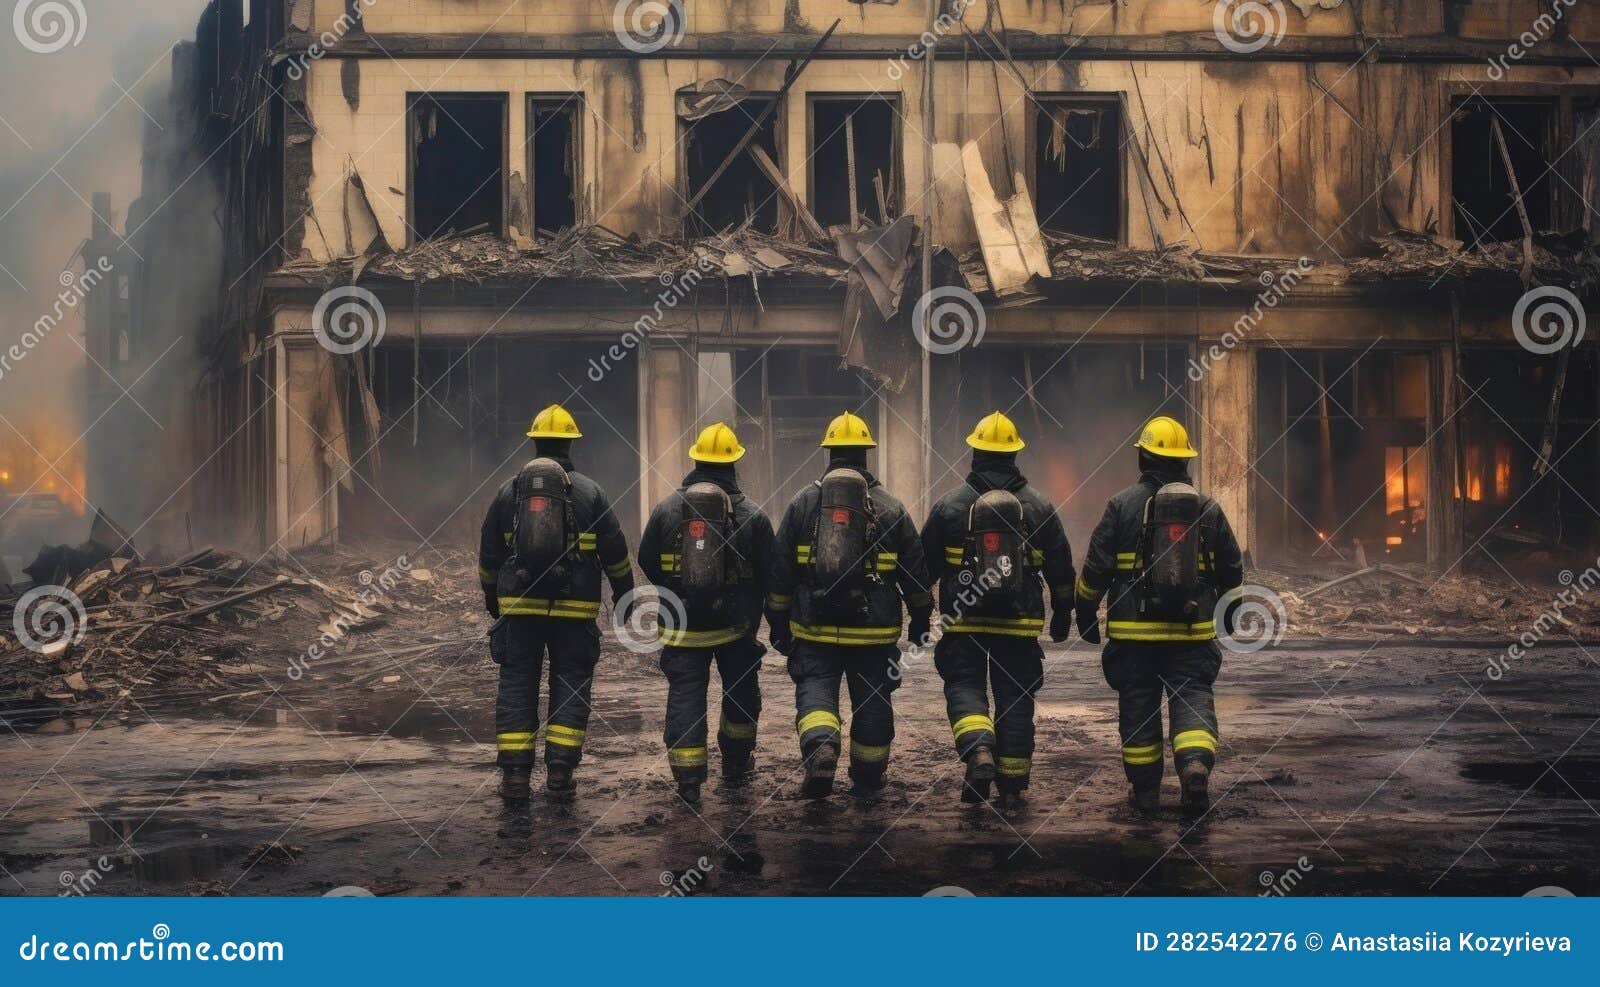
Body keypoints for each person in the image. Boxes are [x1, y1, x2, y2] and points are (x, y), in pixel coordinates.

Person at [1075, 416, 1244, 816]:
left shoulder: (1120, 506)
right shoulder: (1208, 508)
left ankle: (1146, 793)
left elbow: (1096, 568)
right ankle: (1195, 768)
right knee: (1193, 698)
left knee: (1138, 708)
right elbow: (1231, 569)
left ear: (1144, 458)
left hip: (1133, 640)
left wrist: (1084, 611)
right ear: (1184, 461)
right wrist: (1229, 612)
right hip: (1191, 634)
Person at [767, 412, 932, 799]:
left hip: (814, 628)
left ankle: (821, 751)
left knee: (816, 692)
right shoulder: (890, 507)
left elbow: (779, 571)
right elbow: (916, 573)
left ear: (829, 453)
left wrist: (777, 621)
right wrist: (921, 620)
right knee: (873, 700)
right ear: (866, 454)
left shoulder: (803, 504)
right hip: (874, 633)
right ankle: (869, 778)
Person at [919, 411, 1076, 807]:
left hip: (963, 619)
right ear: (1014, 455)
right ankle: (1012, 783)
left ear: (974, 453)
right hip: (1019, 623)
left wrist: (919, 614)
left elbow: (921, 567)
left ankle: (979, 751)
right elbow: (1060, 564)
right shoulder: (1039, 507)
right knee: (1016, 697)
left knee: (965, 686)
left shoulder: (950, 506)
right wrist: (1063, 611)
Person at [478, 403, 634, 801]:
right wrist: (625, 597)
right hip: (574, 612)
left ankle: (515, 777)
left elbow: (489, 554)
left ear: (534, 442)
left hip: (520, 609)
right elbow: (616, 552)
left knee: (517, 685)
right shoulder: (590, 493)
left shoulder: (508, 490)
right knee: (572, 685)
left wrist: (494, 602)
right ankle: (560, 774)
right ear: (570, 443)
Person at [638, 423, 776, 805]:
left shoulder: (667, 510)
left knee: (686, 695)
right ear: (734, 464)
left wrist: (677, 591)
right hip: (736, 628)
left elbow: (647, 558)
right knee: (741, 692)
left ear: (695, 459)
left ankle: (688, 780)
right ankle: (735, 767)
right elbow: (771, 573)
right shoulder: (753, 516)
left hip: (682, 629)